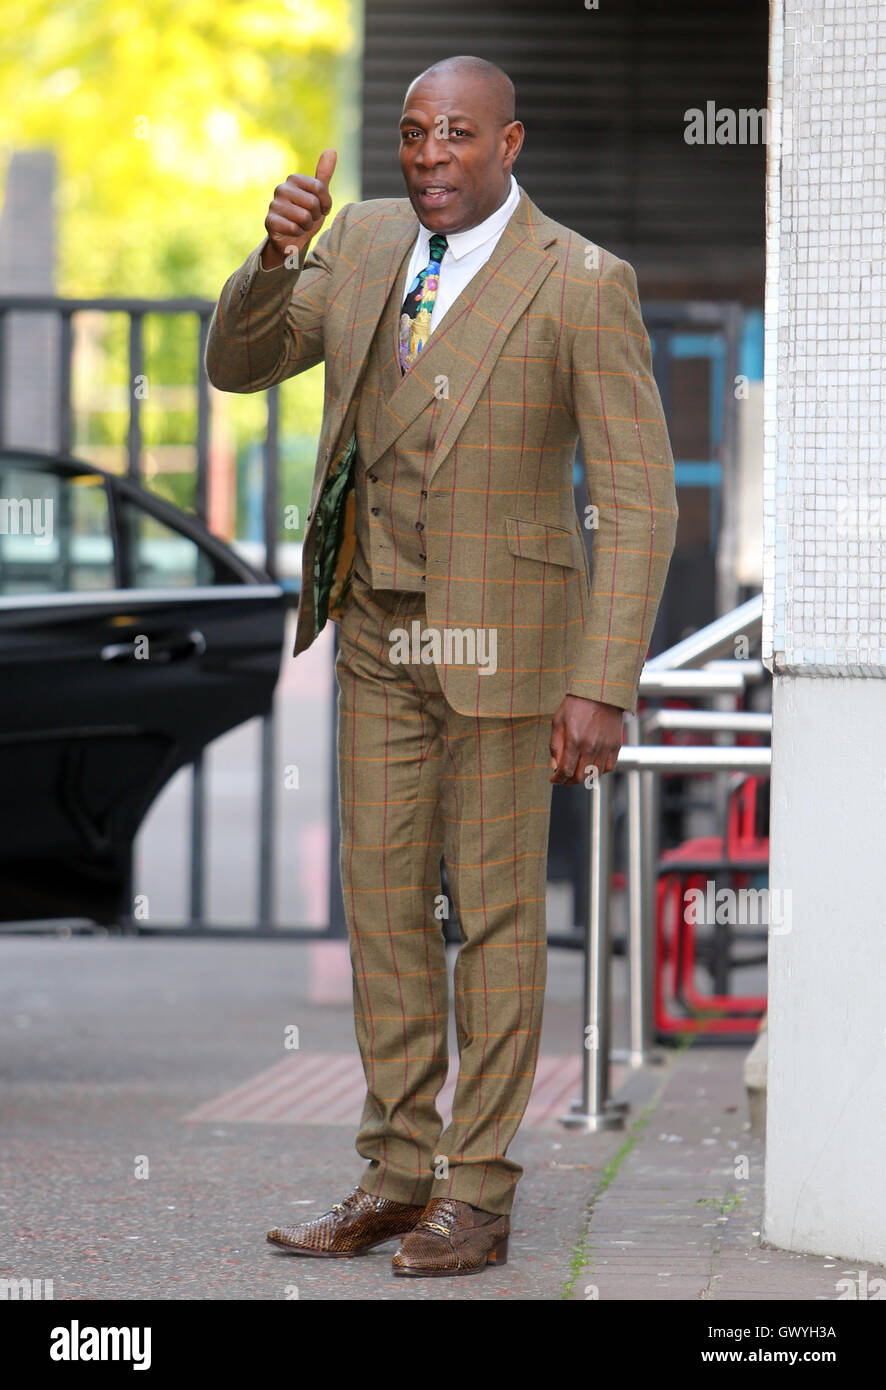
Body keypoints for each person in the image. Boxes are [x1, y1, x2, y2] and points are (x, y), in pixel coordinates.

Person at [205, 54, 678, 1278]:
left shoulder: (580, 283)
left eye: (456, 136)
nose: (428, 157)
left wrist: (602, 679)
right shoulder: (359, 244)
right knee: (385, 915)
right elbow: (239, 365)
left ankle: (478, 1191)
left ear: (509, 144)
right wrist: (270, 262)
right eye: (413, 134)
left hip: (512, 654)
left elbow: (635, 501)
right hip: (378, 635)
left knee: (501, 923)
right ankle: (394, 1171)